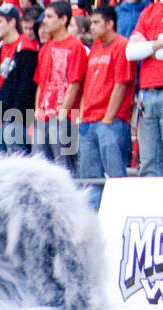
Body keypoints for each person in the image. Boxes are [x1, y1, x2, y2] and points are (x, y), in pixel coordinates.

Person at [77, 4, 135, 209]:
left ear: (110, 24)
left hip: (110, 121)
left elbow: (121, 84)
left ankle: (120, 215)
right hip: (89, 121)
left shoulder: (122, 45)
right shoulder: (95, 48)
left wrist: (108, 118)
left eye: (96, 22)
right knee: (90, 181)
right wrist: (84, 116)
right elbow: (87, 85)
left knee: (115, 177)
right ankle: (93, 224)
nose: (91, 27)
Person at [33, 0, 88, 171]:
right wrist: (37, 111)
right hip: (43, 116)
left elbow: (74, 83)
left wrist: (63, 113)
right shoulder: (45, 48)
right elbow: (41, 84)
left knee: (63, 167)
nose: (45, 21)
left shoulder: (75, 47)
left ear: (63, 19)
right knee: (39, 167)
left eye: (50, 17)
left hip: (63, 117)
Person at [0, 3, 38, 155]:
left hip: (16, 119)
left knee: (16, 164)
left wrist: (16, 116)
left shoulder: (25, 48)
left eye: (0, 21)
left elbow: (26, 88)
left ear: (12, 23)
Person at [125, 0, 163, 177]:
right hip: (147, 92)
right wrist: (157, 45)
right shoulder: (149, 10)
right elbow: (131, 52)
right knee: (149, 162)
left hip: (152, 91)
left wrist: (147, 47)